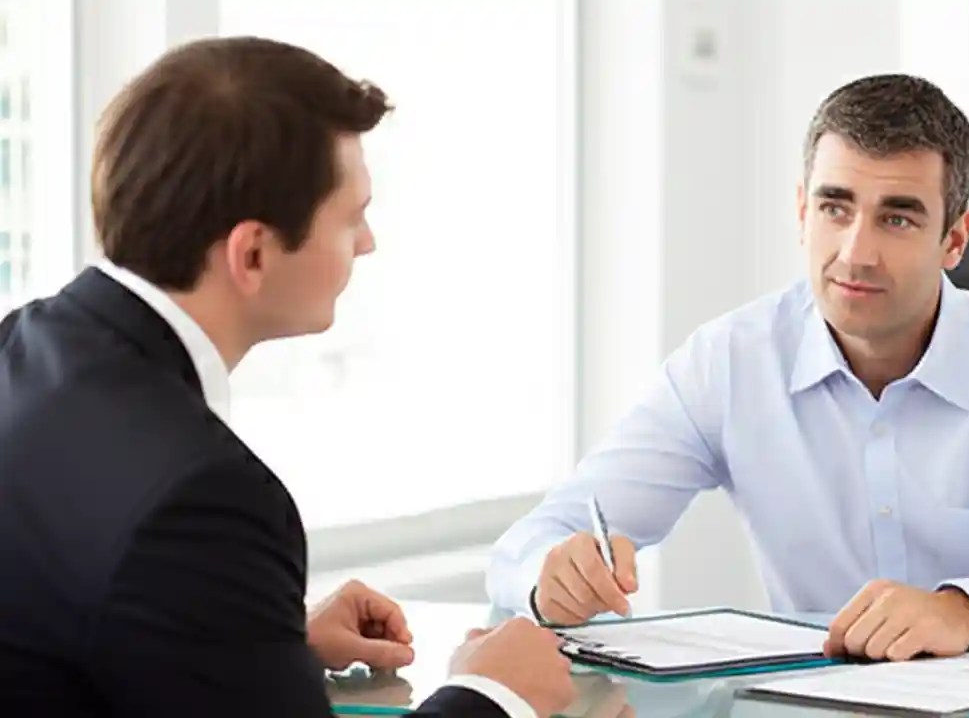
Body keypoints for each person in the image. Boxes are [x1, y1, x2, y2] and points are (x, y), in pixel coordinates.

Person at [488, 74, 969, 661]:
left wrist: (967, 610)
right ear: (802, 213)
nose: (855, 252)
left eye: (897, 218)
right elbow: (531, 543)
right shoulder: (730, 362)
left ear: (955, 238)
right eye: (835, 207)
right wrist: (549, 577)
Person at [0, 37, 574, 718]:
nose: (367, 242)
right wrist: (493, 693)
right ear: (252, 252)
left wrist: (256, 638)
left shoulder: (24, 348)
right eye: (352, 216)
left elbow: (66, 625)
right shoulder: (200, 499)